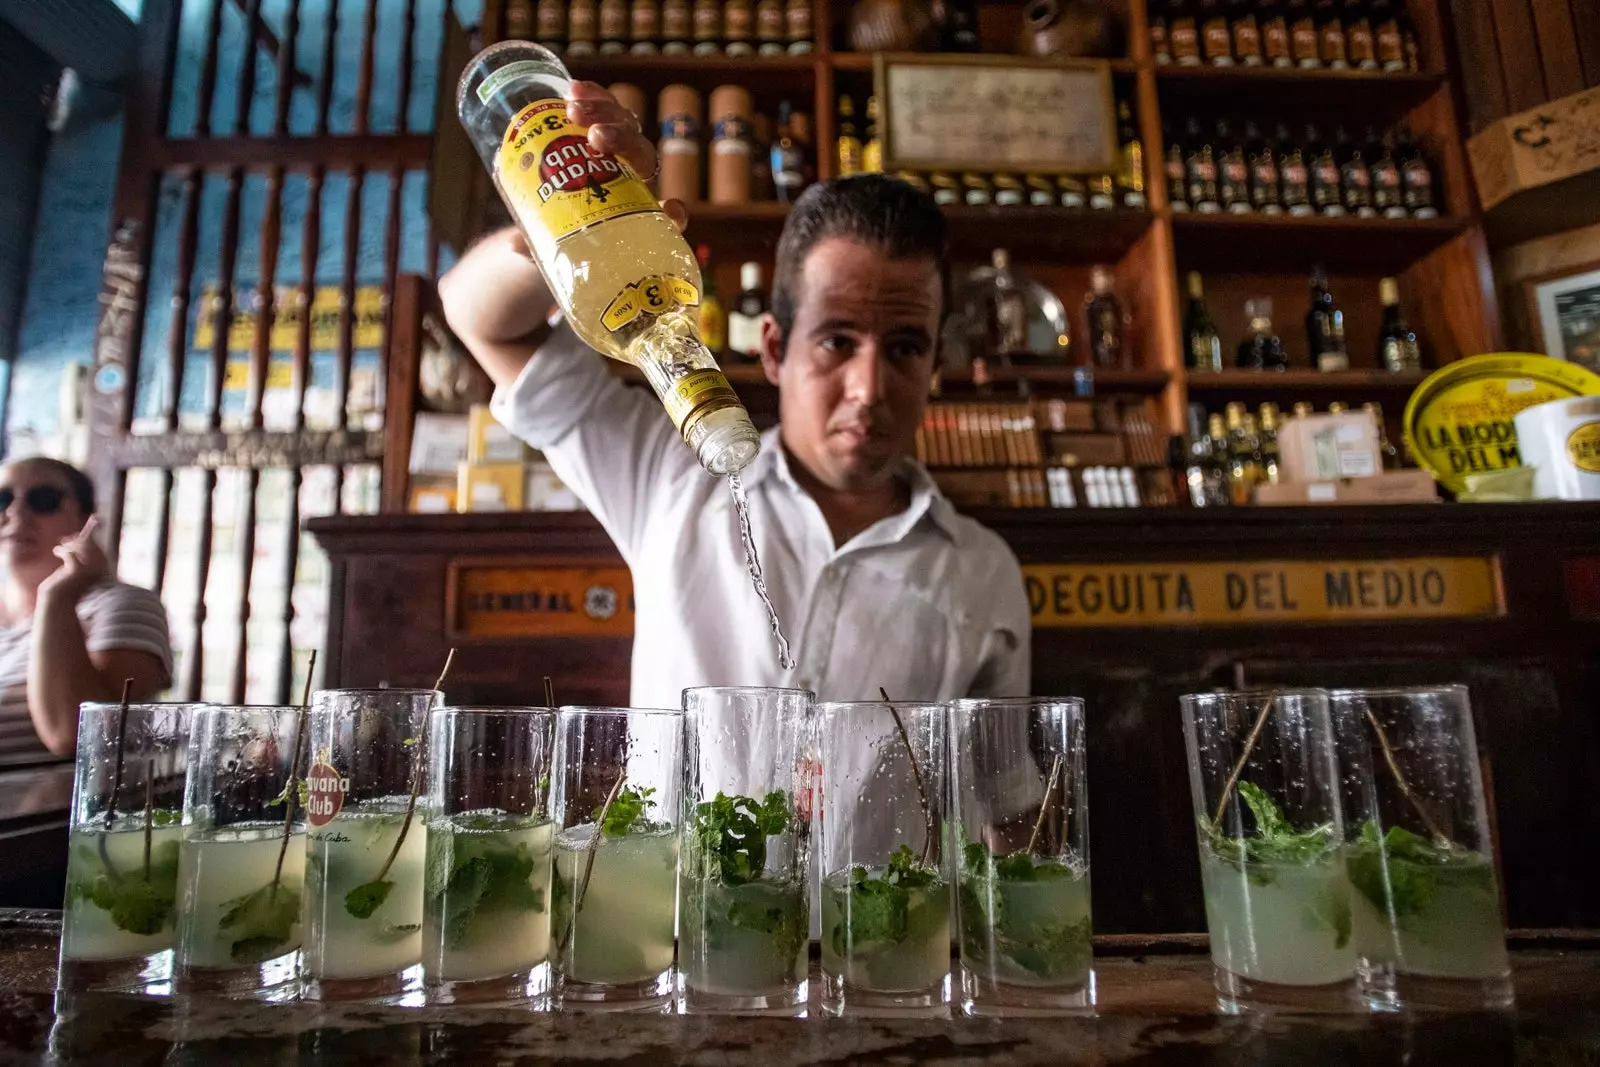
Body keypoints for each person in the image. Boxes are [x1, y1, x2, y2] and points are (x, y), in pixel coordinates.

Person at [439, 81, 1031, 715]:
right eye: (836, 342)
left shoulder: (984, 573)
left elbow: (999, 802)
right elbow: (478, 318)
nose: (868, 388)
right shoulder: (669, 477)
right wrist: (564, 225)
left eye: (906, 348)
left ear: (936, 363)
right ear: (773, 349)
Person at [0, 458, 172, 758]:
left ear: (86, 521)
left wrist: (57, 598)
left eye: (43, 500)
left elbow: (74, 736)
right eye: (2, 499)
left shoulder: (125, 605)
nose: (15, 512)